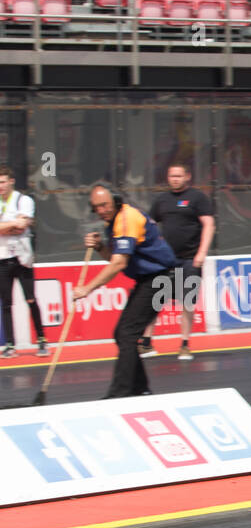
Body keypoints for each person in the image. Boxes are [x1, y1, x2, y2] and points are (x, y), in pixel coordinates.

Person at [75, 184, 178, 399]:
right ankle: (139, 388)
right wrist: (100, 247)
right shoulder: (113, 224)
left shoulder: (126, 218)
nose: (101, 210)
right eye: (96, 207)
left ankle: (120, 393)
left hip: (161, 278)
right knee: (123, 334)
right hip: (149, 279)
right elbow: (113, 258)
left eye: (104, 205)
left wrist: (87, 288)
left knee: (127, 333)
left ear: (115, 200)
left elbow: (118, 264)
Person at [139, 163, 215, 361]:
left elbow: (208, 225)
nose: (175, 179)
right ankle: (146, 344)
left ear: (187, 176)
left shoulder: (197, 198)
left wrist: (202, 253)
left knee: (187, 302)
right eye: (172, 176)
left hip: (190, 259)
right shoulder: (161, 200)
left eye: (179, 176)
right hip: (165, 261)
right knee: (156, 300)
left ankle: (184, 345)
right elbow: (151, 225)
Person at [0, 165, 47, 358]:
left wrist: (6, 226)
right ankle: (11, 344)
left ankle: (42, 340)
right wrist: (13, 225)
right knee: (6, 303)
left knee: (30, 299)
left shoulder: (24, 200)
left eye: (2, 182)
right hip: (2, 257)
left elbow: (22, 225)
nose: (0, 186)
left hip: (23, 258)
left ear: (11, 181)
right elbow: (16, 225)